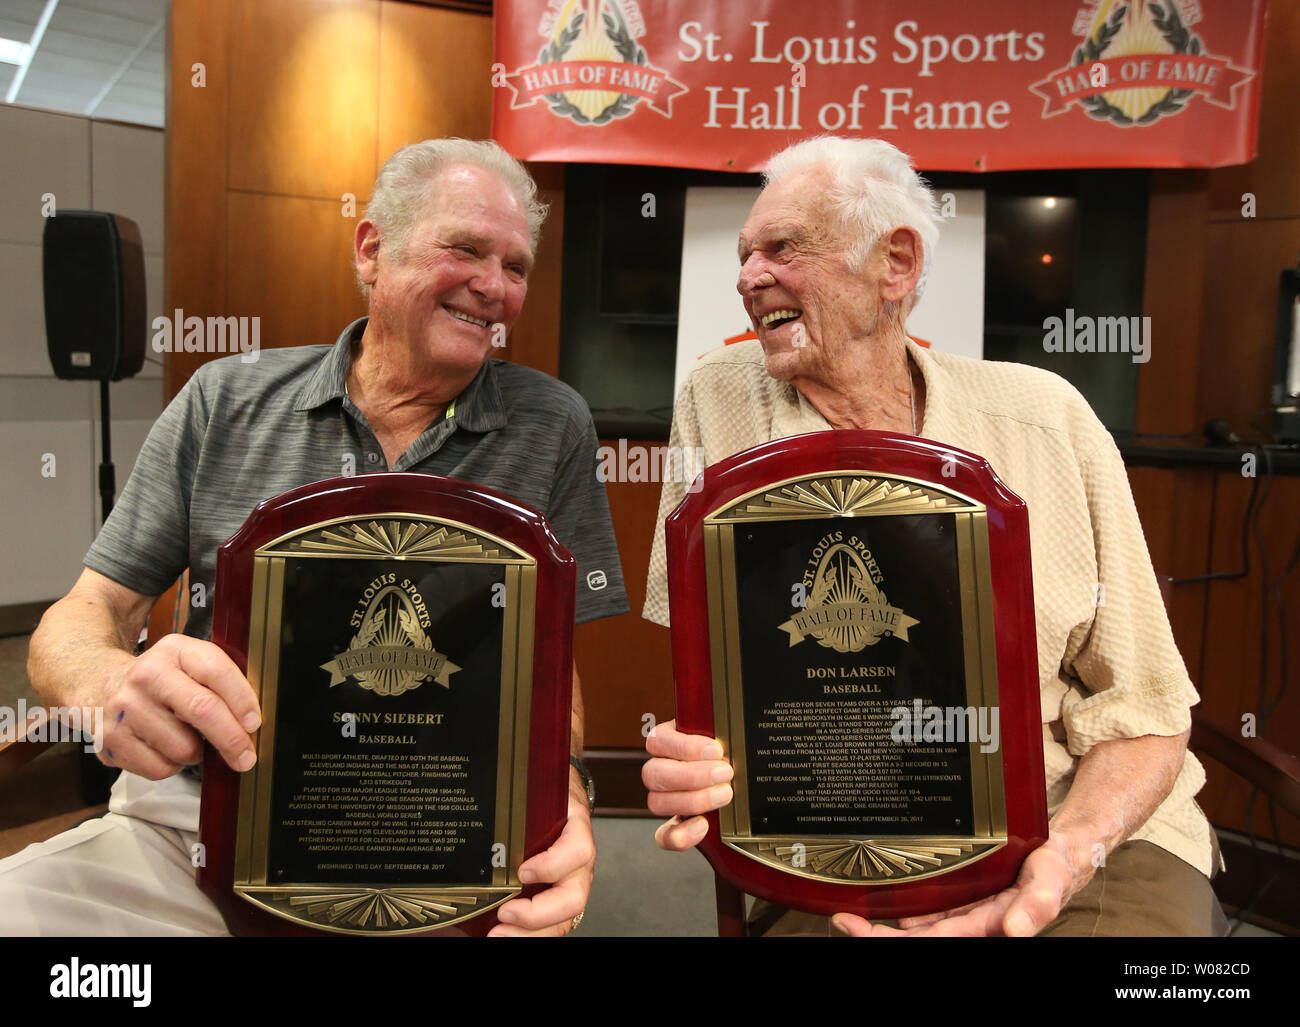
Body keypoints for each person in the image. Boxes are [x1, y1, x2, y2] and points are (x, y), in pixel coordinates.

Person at [3, 138, 627, 937]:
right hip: (199, 825)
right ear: (372, 250)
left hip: (449, 838)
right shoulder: (223, 398)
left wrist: (564, 797)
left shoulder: (553, 423)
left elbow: (555, 661)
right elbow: (85, 613)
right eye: (466, 249)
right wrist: (107, 687)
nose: (494, 286)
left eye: (515, 266)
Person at [640, 136, 1223, 937]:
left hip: (1081, 826)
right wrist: (696, 763)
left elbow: (1148, 708)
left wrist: (1066, 852)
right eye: (743, 256)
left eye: (781, 248)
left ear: (897, 263)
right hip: (837, 843)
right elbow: (711, 686)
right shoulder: (719, 402)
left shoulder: (1046, 418)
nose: (746, 277)